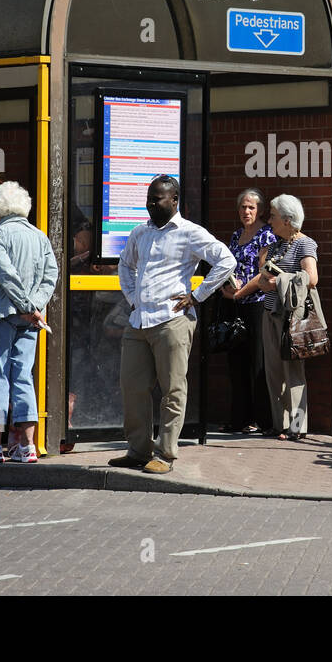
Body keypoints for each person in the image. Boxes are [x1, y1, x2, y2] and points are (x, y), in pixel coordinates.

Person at [110, 176, 235, 474]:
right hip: (138, 321)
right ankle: (138, 450)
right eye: (149, 198)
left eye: (158, 198)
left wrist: (197, 295)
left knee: (173, 389)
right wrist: (132, 299)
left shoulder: (190, 232)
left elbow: (225, 260)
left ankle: (165, 454)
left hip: (172, 321)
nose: (151, 203)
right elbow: (125, 265)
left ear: (175, 200)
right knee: (132, 387)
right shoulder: (140, 232)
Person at [0, 182, 58, 464]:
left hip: (1, 314)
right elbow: (50, 275)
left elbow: (5, 276)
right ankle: (28, 446)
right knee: (23, 377)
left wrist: (24, 306)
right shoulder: (39, 237)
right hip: (31, 319)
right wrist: (34, 307)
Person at [234, 194, 318, 442]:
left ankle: (298, 426)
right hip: (270, 313)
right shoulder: (277, 244)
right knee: (272, 372)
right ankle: (279, 424)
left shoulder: (305, 244)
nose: (269, 219)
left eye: (272, 215)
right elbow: (262, 278)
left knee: (292, 371)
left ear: (287, 219)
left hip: (291, 317)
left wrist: (278, 281)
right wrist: (248, 288)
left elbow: (311, 278)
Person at [217, 188, 277, 434]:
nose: (246, 211)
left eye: (251, 207)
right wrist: (225, 288)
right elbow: (228, 266)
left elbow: (264, 273)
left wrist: (241, 292)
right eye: (243, 207)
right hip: (234, 304)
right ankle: (238, 418)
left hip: (256, 305)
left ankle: (260, 419)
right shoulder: (236, 235)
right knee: (236, 362)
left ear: (260, 210)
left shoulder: (267, 235)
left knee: (256, 363)